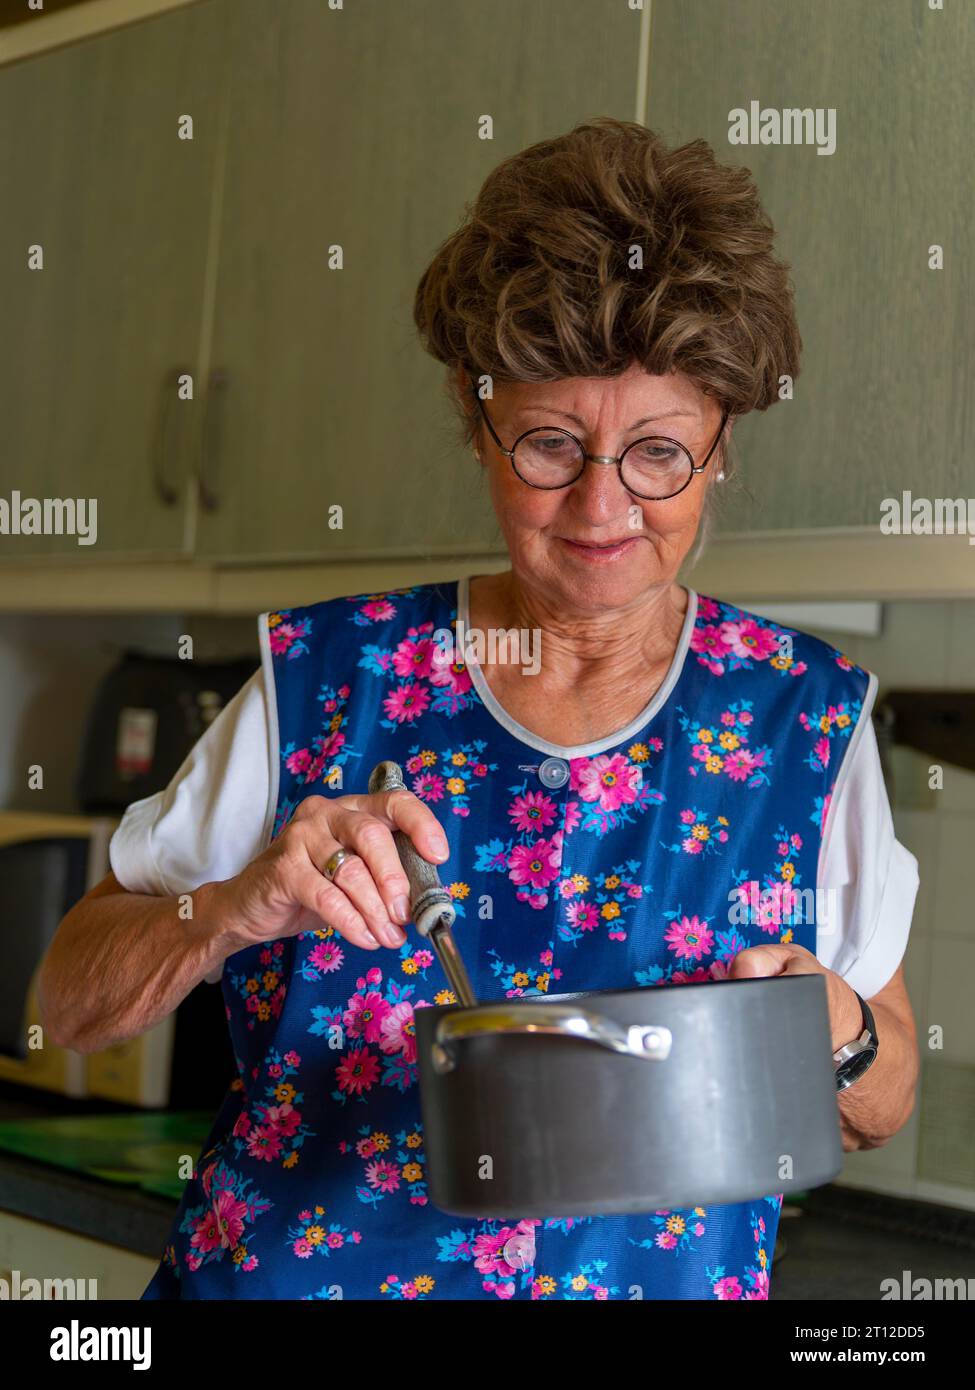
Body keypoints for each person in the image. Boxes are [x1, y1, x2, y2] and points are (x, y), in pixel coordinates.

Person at [39, 118, 919, 1301]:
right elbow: (70, 1004)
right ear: (476, 415)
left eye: (659, 452)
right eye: (552, 445)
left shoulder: (800, 723)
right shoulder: (327, 678)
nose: (604, 507)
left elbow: (884, 1098)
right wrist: (233, 909)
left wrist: (839, 1031)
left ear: (721, 449)